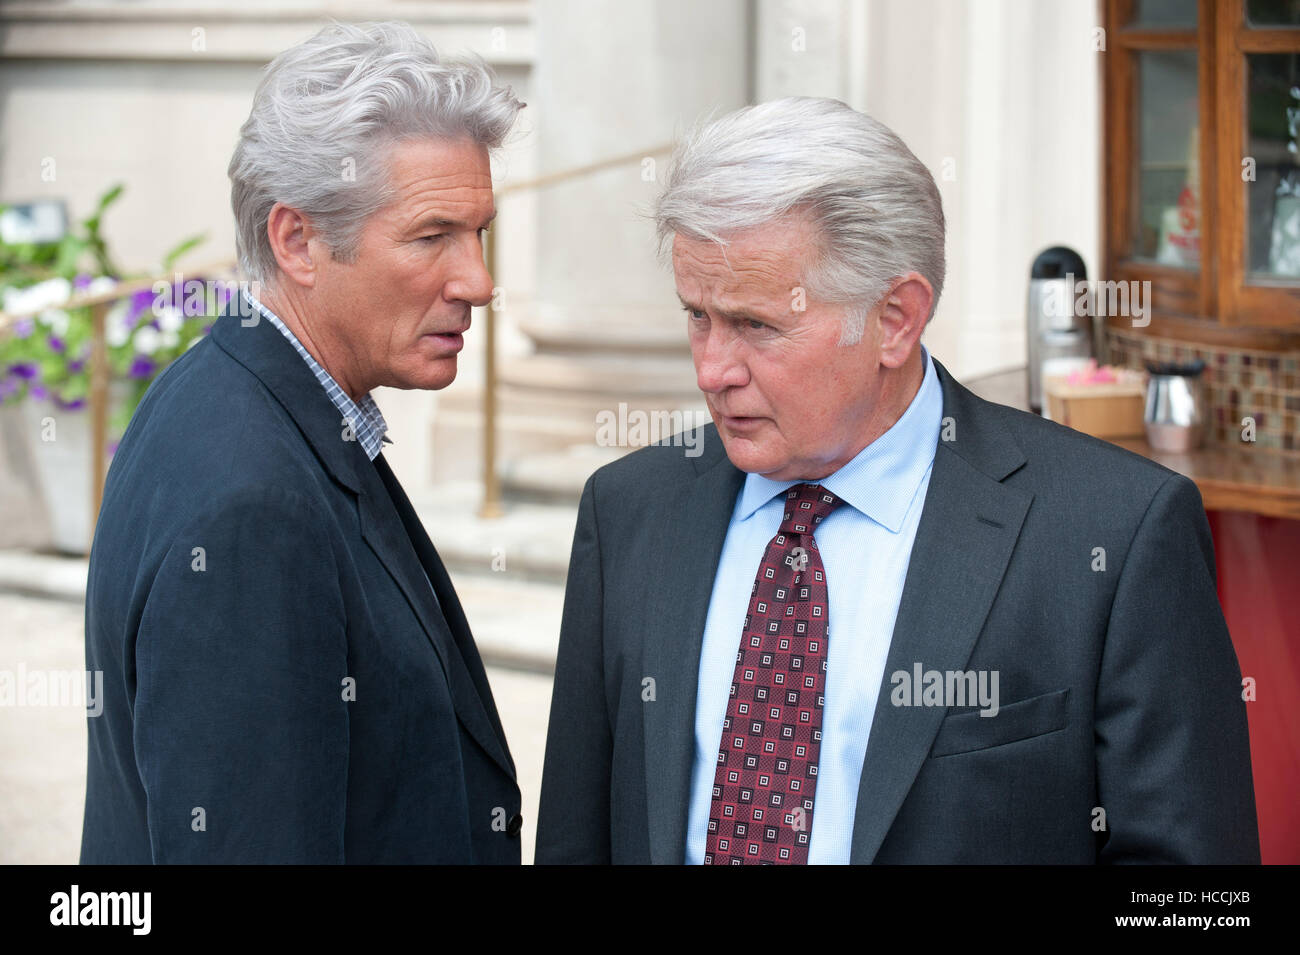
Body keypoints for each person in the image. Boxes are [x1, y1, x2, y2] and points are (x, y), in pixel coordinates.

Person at [535, 97, 1260, 865]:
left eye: (756, 325)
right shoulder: (629, 513)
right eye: (697, 316)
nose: (713, 369)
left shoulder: (1112, 533)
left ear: (895, 318)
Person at [81, 21, 525, 863]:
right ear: (298, 240)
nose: (478, 281)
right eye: (432, 236)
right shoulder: (254, 504)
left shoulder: (236, 394)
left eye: (480, 233)